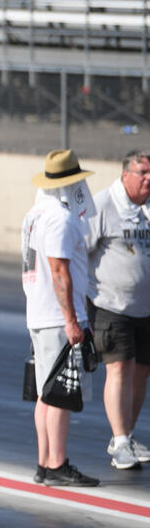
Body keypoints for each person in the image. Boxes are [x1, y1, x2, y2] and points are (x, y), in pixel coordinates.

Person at [22, 149, 100, 486]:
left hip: (40, 313)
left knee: (45, 392)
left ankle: (45, 462)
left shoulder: (35, 213)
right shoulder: (61, 218)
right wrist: (72, 319)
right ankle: (56, 463)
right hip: (57, 316)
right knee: (61, 393)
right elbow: (59, 272)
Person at [86, 149, 150, 470]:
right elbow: (78, 253)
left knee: (141, 370)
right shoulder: (102, 206)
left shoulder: (149, 210)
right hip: (110, 305)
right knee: (120, 367)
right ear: (126, 175)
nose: (149, 179)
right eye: (143, 173)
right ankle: (120, 441)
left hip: (145, 308)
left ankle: (126, 435)